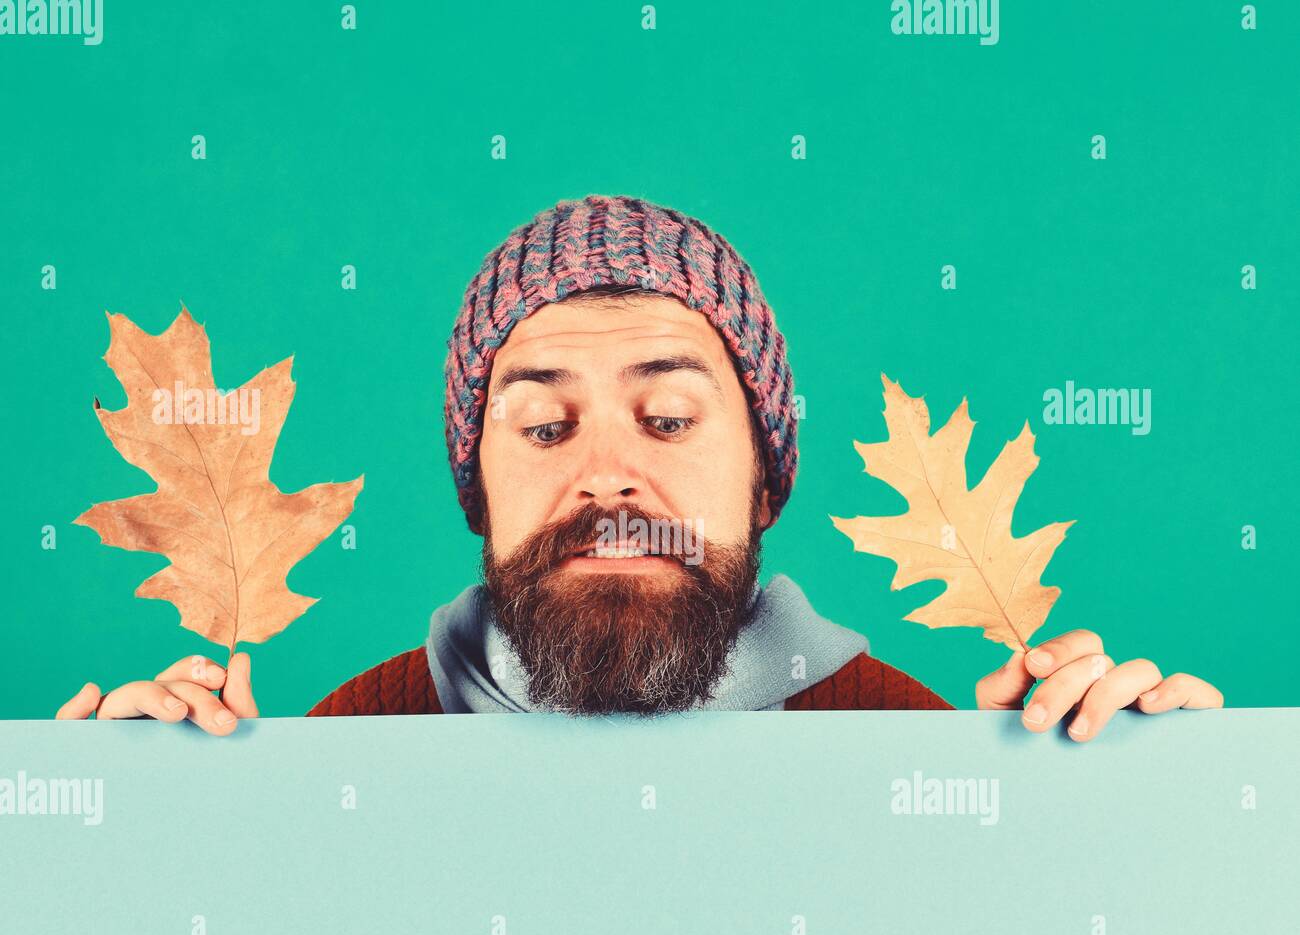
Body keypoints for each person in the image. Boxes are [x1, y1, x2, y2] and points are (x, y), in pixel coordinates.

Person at [56, 194, 1222, 737]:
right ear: (478, 490)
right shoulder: (356, 741)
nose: (606, 478)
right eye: (544, 429)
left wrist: (1141, 826)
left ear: (767, 479)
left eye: (666, 421)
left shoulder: (902, 746)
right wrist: (136, 840)